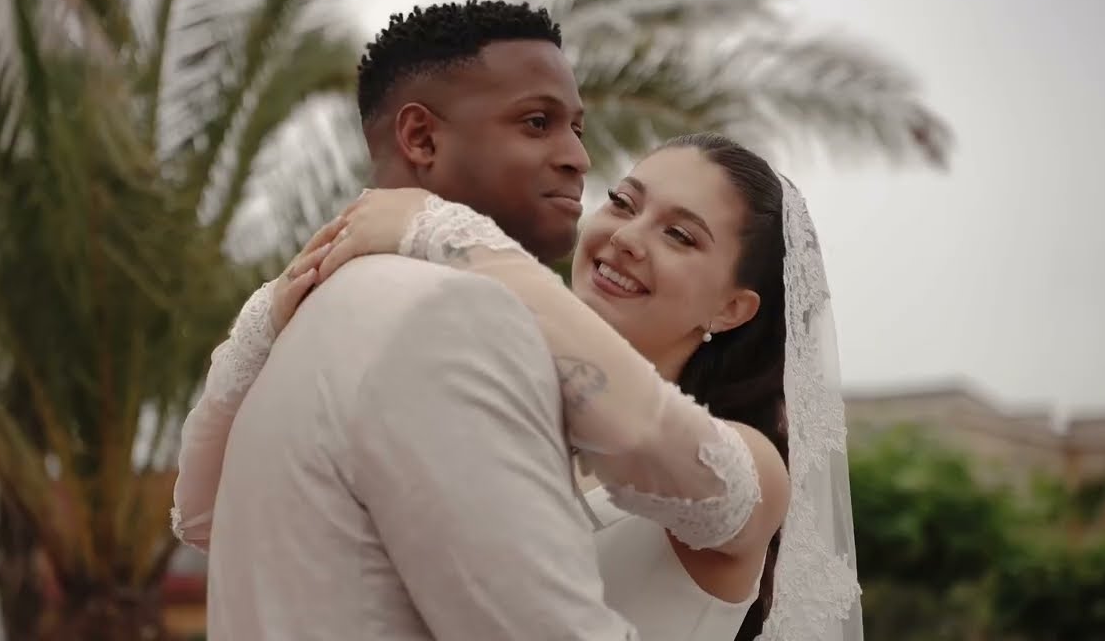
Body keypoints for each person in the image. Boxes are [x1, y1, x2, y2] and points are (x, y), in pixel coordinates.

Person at [176, 131, 864, 639]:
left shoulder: (755, 474)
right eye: (624, 203)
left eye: (680, 236)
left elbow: (640, 431)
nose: (628, 236)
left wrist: (442, 231)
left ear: (731, 309)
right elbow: (205, 519)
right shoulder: (487, 419)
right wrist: (269, 321)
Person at [175, 0, 640, 640]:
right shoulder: (449, 315)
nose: (577, 158)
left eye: (577, 129)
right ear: (420, 137)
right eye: (538, 122)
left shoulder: (308, 315)